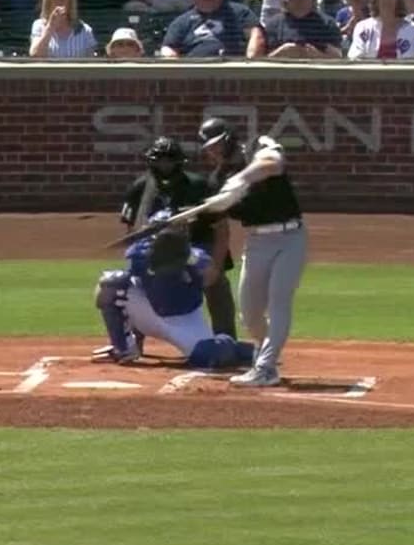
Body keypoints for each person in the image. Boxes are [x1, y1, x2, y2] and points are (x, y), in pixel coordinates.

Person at [197, 118, 308, 387]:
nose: (213, 152)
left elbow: (273, 164)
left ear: (229, 138)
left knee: (278, 301)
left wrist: (241, 179)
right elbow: (214, 221)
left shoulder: (257, 146)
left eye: (216, 145)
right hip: (257, 241)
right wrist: (212, 206)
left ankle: (266, 367)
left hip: (290, 237)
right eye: (208, 148)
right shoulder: (218, 180)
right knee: (249, 313)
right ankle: (265, 353)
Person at [117, 137, 237, 337]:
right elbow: (132, 231)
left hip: (198, 245)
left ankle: (226, 336)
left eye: (170, 161)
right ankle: (132, 338)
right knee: (132, 285)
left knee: (217, 283)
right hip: (156, 248)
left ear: (180, 162)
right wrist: (137, 262)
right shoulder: (139, 188)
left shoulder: (199, 186)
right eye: (160, 161)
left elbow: (221, 229)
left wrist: (216, 265)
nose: (165, 166)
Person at [91, 222, 255, 367]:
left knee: (205, 355)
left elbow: (211, 278)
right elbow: (127, 277)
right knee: (110, 282)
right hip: (149, 310)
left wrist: (192, 263)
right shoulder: (139, 253)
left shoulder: (196, 257)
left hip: (185, 320)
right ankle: (124, 347)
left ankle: (236, 347)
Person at [159, 0, 258, 58]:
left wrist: (249, 63)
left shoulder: (240, 13)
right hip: (193, 71)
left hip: (232, 69)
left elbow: (256, 35)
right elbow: (168, 47)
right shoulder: (182, 21)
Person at [246, 0, 344, 59]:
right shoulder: (274, 25)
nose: (298, 4)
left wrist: (317, 55)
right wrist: (281, 53)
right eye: (294, 0)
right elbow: (260, 60)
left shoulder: (327, 24)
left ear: (312, 1)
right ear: (286, 3)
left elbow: (338, 56)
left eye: (303, 0)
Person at [347, 0, 414, 59]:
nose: (387, 1)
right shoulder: (363, 27)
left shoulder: (412, 29)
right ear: (376, 1)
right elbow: (355, 56)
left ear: (399, 1)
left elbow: (410, 60)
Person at [28, 0, 97, 58]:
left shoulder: (84, 30)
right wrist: (50, 27)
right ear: (48, 4)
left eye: (63, 0)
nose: (59, 4)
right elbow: (35, 54)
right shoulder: (39, 26)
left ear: (70, 3)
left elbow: (92, 63)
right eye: (55, 0)